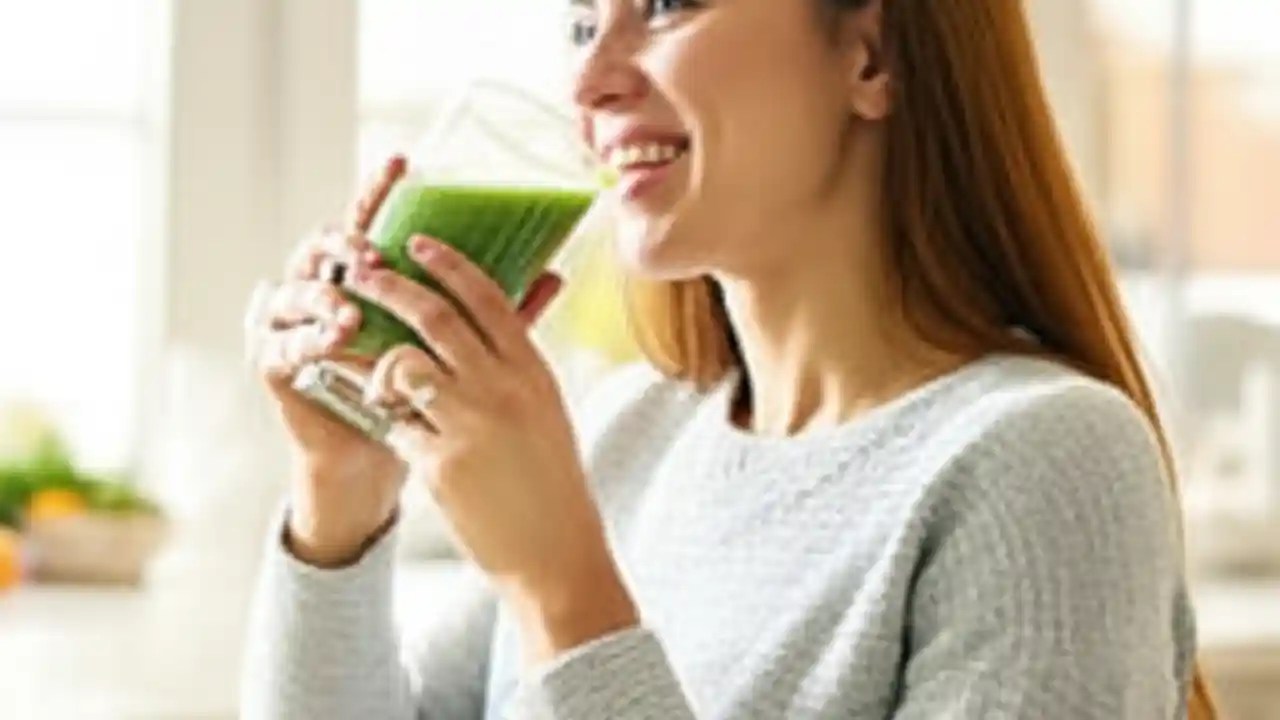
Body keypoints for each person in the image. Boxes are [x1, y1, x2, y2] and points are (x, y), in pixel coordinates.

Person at [240, 0, 1217, 717]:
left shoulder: (1044, 465)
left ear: (870, 54)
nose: (589, 83)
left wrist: (563, 588)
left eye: (664, 6)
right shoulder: (633, 434)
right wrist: (341, 489)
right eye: (582, 24)